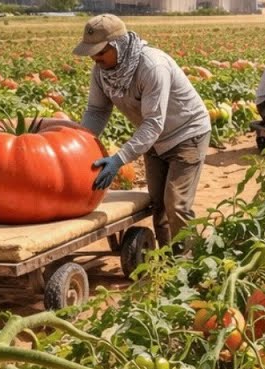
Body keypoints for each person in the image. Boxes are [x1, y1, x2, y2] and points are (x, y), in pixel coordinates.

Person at [72, 14, 211, 248]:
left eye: (100, 51)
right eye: (92, 53)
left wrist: (120, 159)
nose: (95, 58)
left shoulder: (151, 66)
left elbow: (154, 122)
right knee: (158, 203)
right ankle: (167, 258)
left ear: (118, 45)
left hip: (187, 133)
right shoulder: (102, 72)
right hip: (154, 140)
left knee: (176, 203)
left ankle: (188, 262)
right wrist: (79, 143)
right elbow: (97, 111)